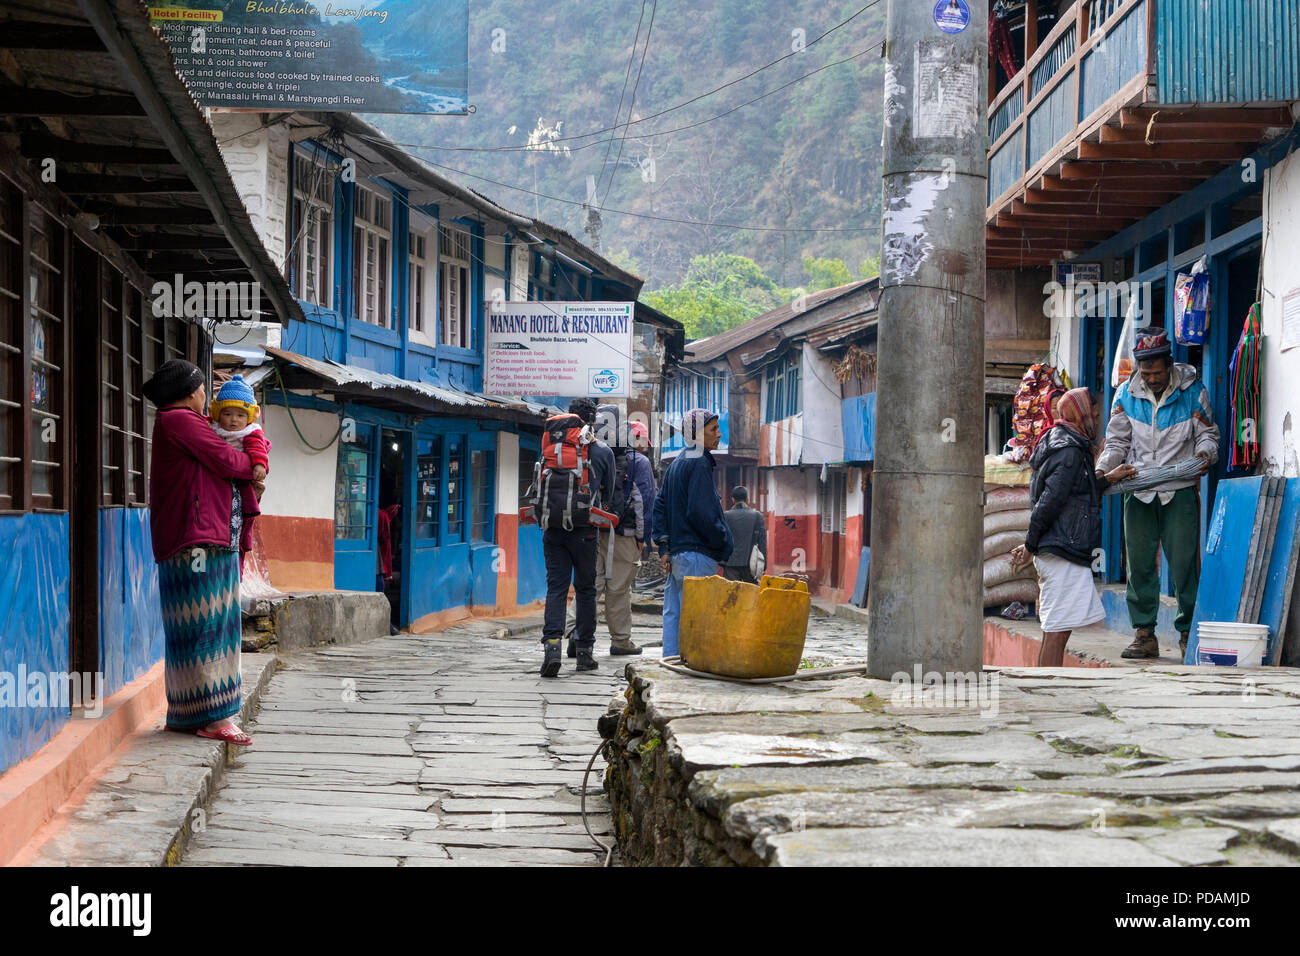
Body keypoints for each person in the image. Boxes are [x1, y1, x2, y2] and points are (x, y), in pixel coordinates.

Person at [145, 359, 262, 746]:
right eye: (202, 387)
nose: (205, 395)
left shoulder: (176, 421)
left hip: (191, 538)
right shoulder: (180, 419)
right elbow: (226, 459)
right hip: (197, 541)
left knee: (188, 629)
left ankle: (185, 714)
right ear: (190, 391)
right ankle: (214, 718)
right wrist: (254, 466)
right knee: (211, 625)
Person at [1095, 327, 1219, 659]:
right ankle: (1144, 634)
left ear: (1169, 364)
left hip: (1178, 491)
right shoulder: (1125, 395)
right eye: (1144, 372)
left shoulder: (1194, 391)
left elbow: (1208, 433)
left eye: (1156, 371)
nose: (1150, 378)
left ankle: (1187, 632)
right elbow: (1117, 442)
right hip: (1137, 491)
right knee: (1139, 566)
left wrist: (1205, 454)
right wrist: (1102, 472)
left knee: (1182, 566)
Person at [1010, 388, 1135, 666]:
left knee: (1057, 628)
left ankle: (1046, 685)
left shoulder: (1067, 444)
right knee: (1056, 630)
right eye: (1092, 411)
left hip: (1061, 547)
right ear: (1078, 414)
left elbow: (1075, 491)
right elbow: (1048, 502)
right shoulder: (1069, 451)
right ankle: (1046, 689)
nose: (1096, 415)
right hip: (1061, 548)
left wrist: (1107, 478)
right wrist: (1031, 545)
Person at [563, 408, 657, 657]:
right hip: (623, 532)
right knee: (618, 590)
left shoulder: (592, 453)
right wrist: (642, 537)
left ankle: (574, 631)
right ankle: (621, 640)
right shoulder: (639, 463)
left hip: (592, 528)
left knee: (590, 585)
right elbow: (645, 503)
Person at [541, 398, 614, 677]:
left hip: (553, 528)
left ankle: (552, 648)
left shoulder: (552, 448)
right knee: (585, 590)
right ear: (593, 420)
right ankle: (584, 653)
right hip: (585, 530)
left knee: (556, 589)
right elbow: (608, 498)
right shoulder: (602, 452)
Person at [652, 408, 733, 658]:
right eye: (713, 430)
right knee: (698, 615)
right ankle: (694, 663)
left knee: (675, 612)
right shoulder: (699, 462)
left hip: (678, 555)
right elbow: (702, 512)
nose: (719, 434)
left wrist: (664, 546)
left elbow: (660, 505)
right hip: (697, 554)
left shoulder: (678, 462)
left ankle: (672, 661)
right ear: (697, 434)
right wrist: (723, 541)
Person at [208, 374, 271, 574]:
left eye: (240, 415)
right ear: (218, 414)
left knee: (237, 529)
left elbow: (258, 449)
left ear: (250, 417)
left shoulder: (250, 433)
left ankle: (234, 572)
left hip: (241, 487)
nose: (234, 420)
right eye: (228, 414)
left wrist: (259, 465)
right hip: (218, 486)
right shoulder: (212, 428)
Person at [721, 486, 767, 583]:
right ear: (747, 499)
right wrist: (763, 565)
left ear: (733, 499)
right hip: (751, 565)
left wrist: (722, 562)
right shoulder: (757, 516)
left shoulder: (725, 516)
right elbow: (762, 543)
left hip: (730, 564)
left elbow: (721, 540)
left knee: (731, 595)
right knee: (751, 596)